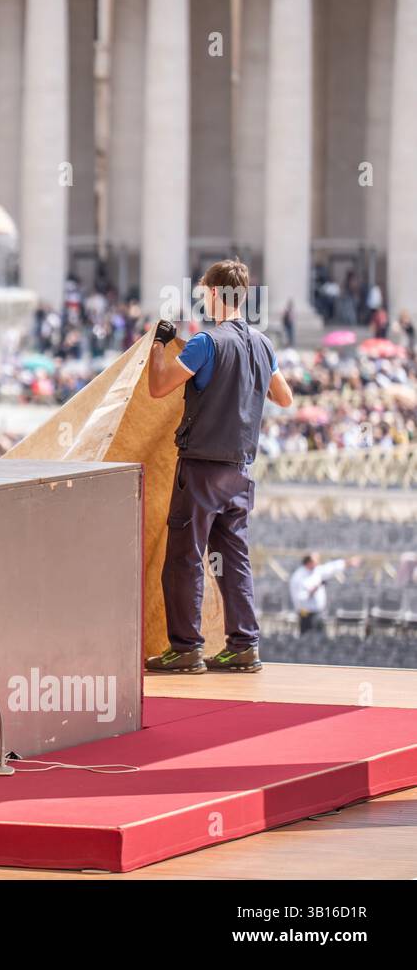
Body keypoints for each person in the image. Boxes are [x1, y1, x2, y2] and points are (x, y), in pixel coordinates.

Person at [145, 259, 294, 674]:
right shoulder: (264, 345)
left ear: (213, 293)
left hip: (201, 468)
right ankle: (244, 645)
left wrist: (158, 344)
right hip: (241, 470)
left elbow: (159, 388)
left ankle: (186, 648)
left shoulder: (205, 343)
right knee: (234, 558)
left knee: (185, 558)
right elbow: (284, 398)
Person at [289, 554, 362, 633]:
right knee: (307, 634)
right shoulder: (298, 576)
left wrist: (348, 562)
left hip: (318, 611)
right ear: (309, 562)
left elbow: (331, 568)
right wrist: (312, 591)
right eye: (315, 561)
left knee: (319, 635)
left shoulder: (317, 571)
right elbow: (299, 596)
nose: (318, 562)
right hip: (305, 613)